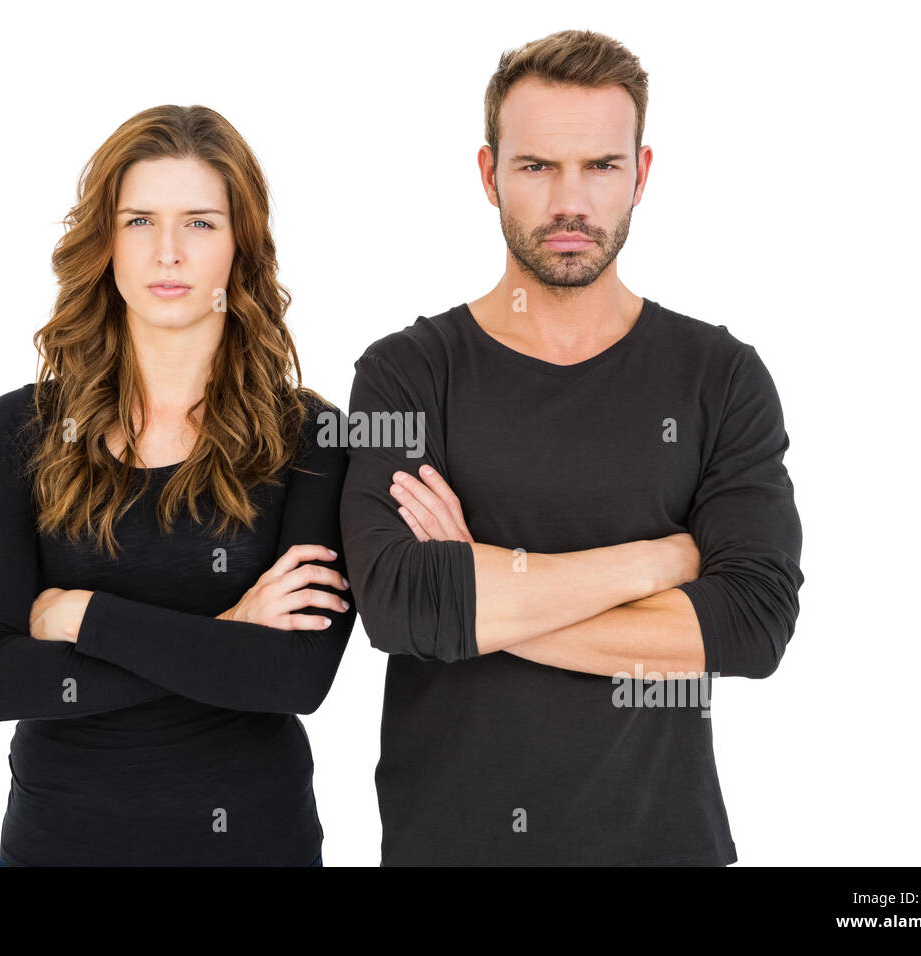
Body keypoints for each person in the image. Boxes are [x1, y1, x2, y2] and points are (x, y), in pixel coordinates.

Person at [339, 28, 804, 865]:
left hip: (666, 846)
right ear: (489, 175)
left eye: (600, 166)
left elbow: (753, 625)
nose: (570, 202)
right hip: (450, 847)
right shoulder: (404, 374)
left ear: (642, 175)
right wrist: (662, 561)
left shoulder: (719, 377)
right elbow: (396, 605)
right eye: (536, 167)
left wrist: (476, 592)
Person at [0, 104, 354, 867]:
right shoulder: (19, 432)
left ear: (241, 244)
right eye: (139, 222)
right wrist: (228, 634)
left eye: (200, 222)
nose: (168, 252)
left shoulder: (312, 439)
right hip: (60, 846)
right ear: (104, 242)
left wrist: (85, 614)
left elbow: (294, 677)